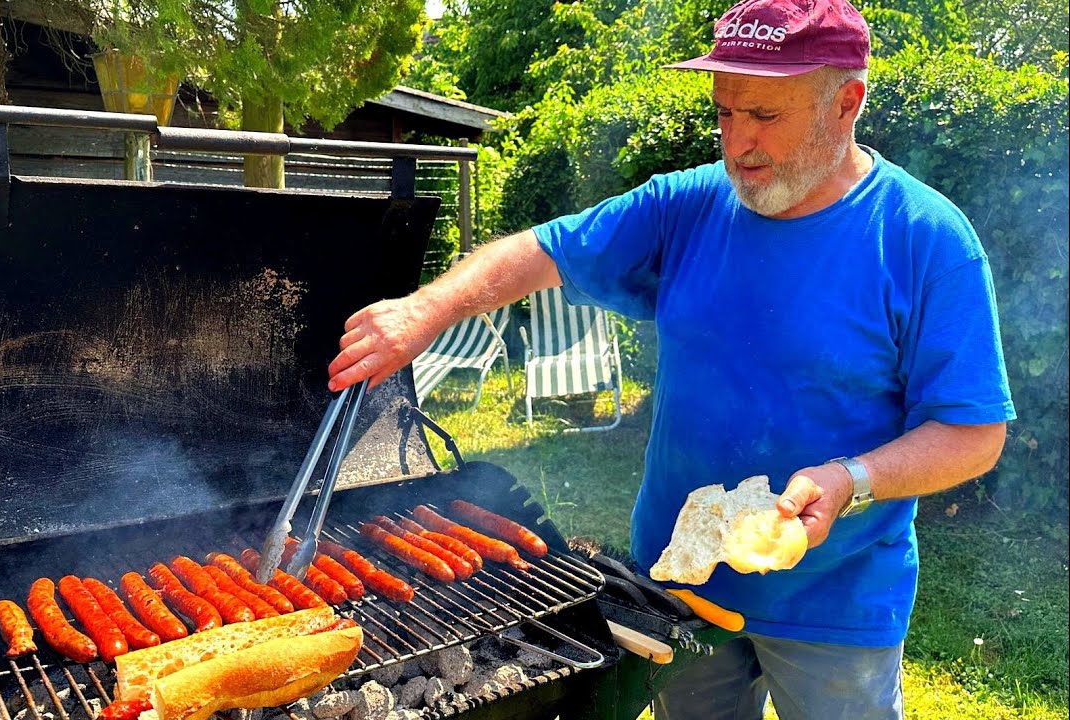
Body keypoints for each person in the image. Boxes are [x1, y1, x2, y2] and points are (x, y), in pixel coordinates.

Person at [326, 0, 1015, 717]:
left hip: (837, 601)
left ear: (847, 103)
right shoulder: (686, 205)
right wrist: (427, 309)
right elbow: (546, 250)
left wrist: (853, 479)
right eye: (724, 113)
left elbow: (973, 433)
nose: (737, 142)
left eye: (766, 116)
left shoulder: (924, 238)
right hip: (678, 583)